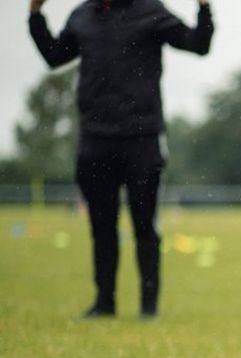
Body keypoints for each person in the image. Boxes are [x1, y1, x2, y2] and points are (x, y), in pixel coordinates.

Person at [28, 0, 215, 319]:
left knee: (145, 225)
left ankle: (148, 306)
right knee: (101, 226)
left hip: (141, 137)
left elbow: (197, 44)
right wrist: (35, 14)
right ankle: (104, 302)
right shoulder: (82, 15)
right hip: (95, 138)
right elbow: (54, 55)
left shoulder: (150, 11)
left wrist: (204, 9)